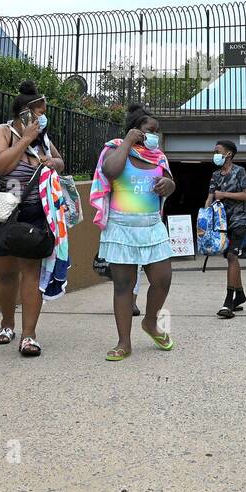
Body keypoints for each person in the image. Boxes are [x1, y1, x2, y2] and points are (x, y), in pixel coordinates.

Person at [0, 81, 63, 357]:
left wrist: (53, 162)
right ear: (25, 113)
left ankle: (29, 336)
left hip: (34, 214)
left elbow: (60, 162)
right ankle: (7, 324)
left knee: (31, 273)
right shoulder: (1, 132)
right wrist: (26, 139)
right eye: (39, 111)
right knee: (6, 273)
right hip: (2, 214)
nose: (43, 116)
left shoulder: (45, 141)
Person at [90, 104, 176, 361]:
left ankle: (150, 323)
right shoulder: (114, 150)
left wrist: (169, 185)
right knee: (123, 287)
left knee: (163, 279)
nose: (155, 136)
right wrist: (127, 142)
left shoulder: (159, 156)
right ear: (136, 130)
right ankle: (124, 343)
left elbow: (170, 183)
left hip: (151, 226)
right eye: (151, 130)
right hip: (121, 228)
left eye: (157, 132)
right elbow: (110, 171)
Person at [208, 139, 246, 319]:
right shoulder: (215, 175)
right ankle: (240, 294)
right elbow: (210, 197)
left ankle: (228, 301)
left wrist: (225, 194)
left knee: (233, 256)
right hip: (222, 223)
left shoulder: (239, 171)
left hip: (239, 219)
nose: (215, 154)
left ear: (229, 154)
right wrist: (205, 218)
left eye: (218, 151)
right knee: (230, 258)